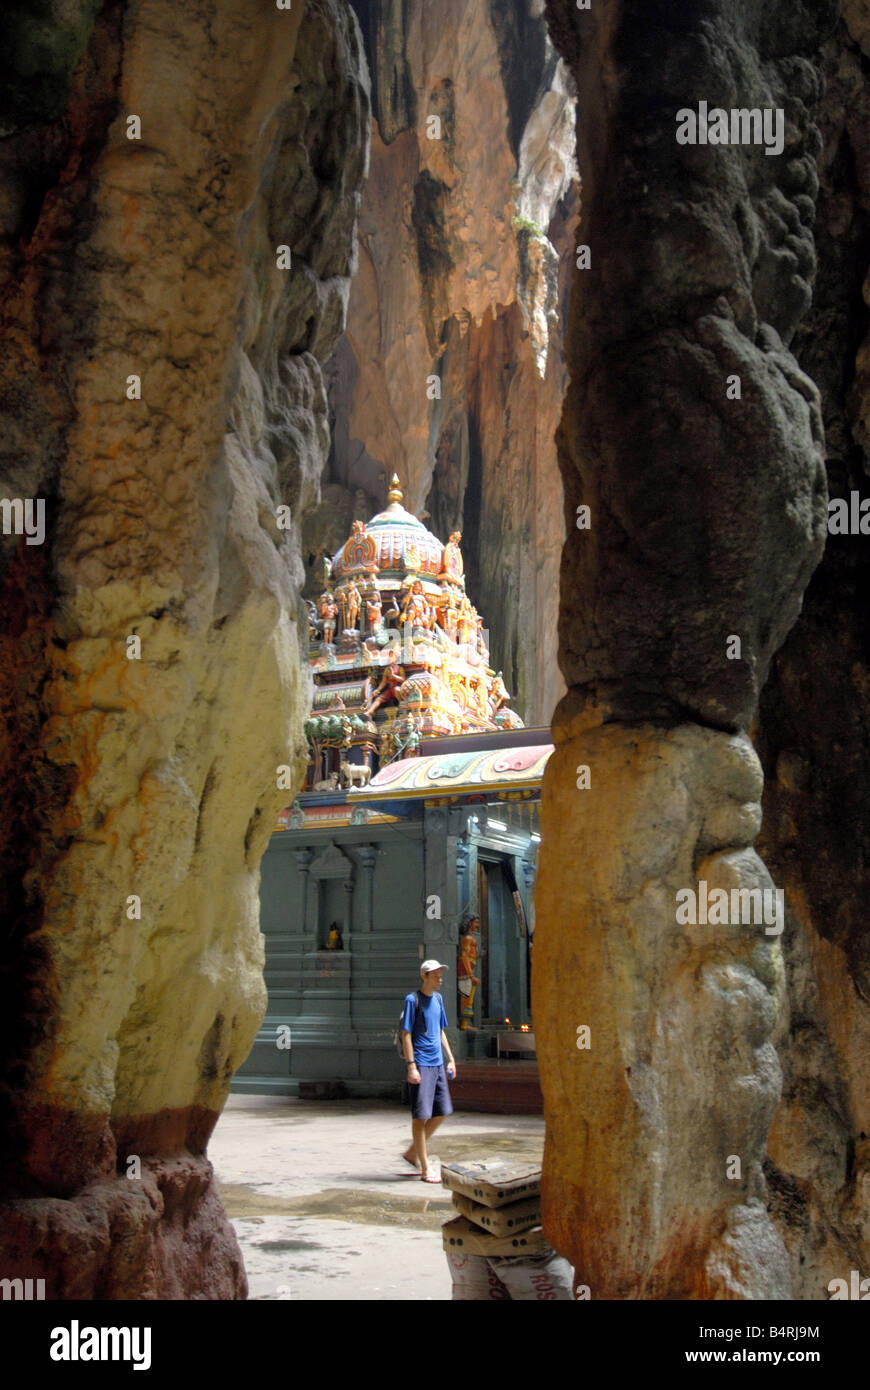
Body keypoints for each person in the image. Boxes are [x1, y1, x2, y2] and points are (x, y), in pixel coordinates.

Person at [401, 960, 457, 1182]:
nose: (440, 979)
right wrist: (411, 1066)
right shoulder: (412, 1001)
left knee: (442, 1111)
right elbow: (406, 1034)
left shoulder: (439, 1000)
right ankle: (424, 1168)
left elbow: (440, 1031)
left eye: (440, 975)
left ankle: (412, 1152)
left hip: (437, 1063)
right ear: (424, 976)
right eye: (435, 975)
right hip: (421, 1063)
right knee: (420, 1117)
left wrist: (450, 1059)